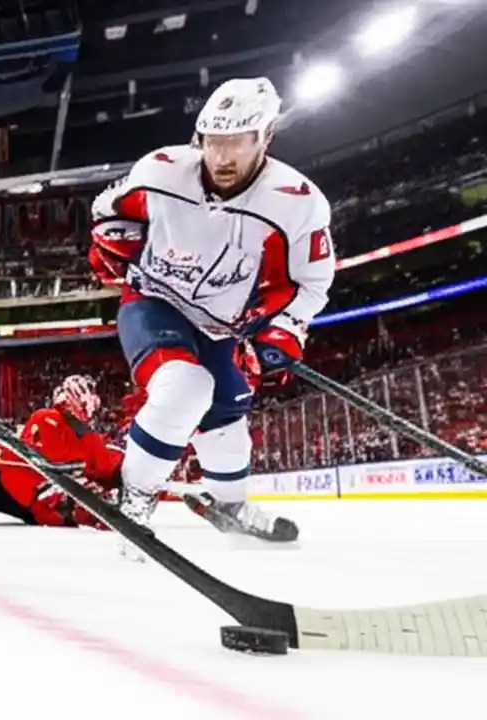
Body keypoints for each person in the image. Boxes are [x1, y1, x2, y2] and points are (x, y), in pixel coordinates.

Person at [87, 77, 334, 558]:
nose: (222, 157)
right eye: (213, 142)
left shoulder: (299, 202)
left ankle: (232, 506)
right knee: (184, 387)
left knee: (229, 413)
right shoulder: (160, 171)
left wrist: (285, 329)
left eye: (237, 142)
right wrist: (109, 241)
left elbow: (313, 284)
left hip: (224, 325)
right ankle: (134, 500)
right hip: (154, 301)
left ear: (266, 136)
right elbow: (106, 210)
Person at [0, 375, 123, 527]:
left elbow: (111, 468)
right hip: (0, 479)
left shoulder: (91, 440)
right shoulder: (47, 419)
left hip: (26, 492)